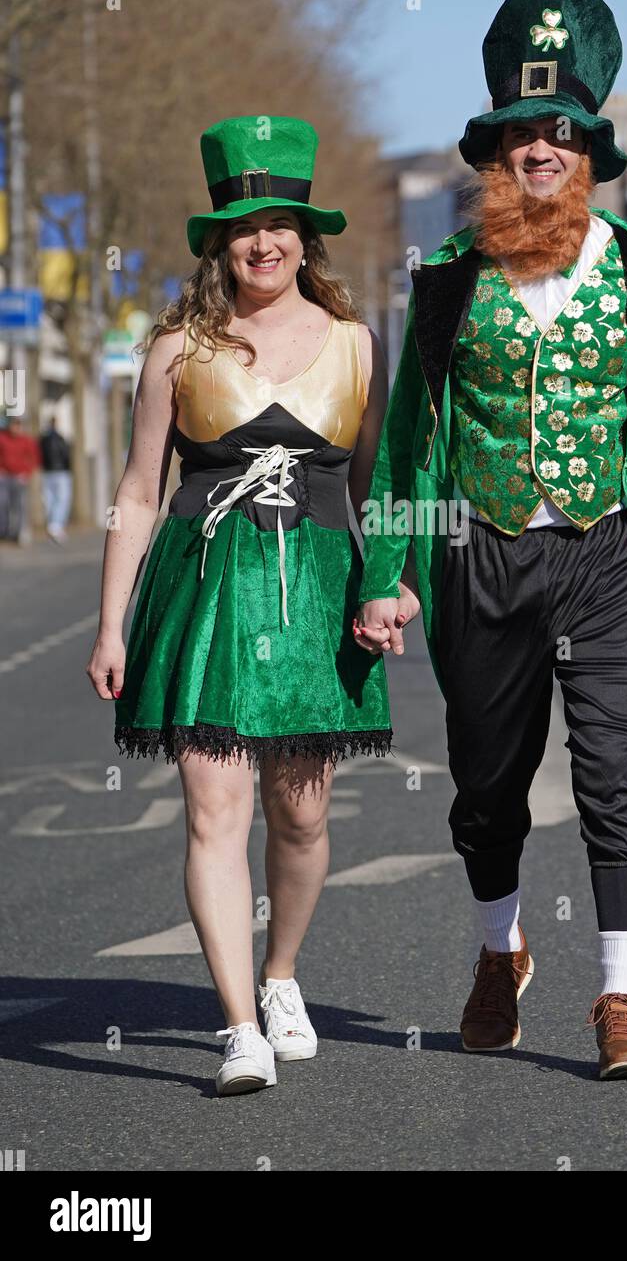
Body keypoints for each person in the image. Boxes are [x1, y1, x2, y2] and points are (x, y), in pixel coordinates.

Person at [354, 0, 627, 1079]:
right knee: (487, 781)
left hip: (606, 555)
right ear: (495, 153)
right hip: (481, 558)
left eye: (561, 135)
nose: (541, 153)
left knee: (615, 774)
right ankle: (497, 949)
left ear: (590, 149)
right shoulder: (450, 283)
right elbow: (410, 443)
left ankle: (619, 996)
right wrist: (389, 573)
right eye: (522, 137)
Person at [86, 115, 395, 1096]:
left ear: (308, 236)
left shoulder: (356, 343)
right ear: (218, 240)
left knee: (300, 816)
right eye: (242, 225)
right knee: (212, 808)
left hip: (315, 593)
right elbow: (138, 493)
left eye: (281, 223)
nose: (262, 241)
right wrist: (109, 622)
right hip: (205, 590)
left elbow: (381, 487)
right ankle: (236, 1027)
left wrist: (395, 581)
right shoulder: (176, 350)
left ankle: (281, 974)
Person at [0, 416, 41, 544]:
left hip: (19, 478)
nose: (15, 428)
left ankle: (20, 532)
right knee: (2, 503)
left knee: (20, 505)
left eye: (17, 426)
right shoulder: (2, 438)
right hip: (4, 476)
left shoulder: (26, 441)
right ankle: (3, 531)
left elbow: (34, 458)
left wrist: (26, 473)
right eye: (13, 425)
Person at [40, 416, 72, 543]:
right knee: (62, 499)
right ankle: (55, 526)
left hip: (47, 472)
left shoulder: (43, 439)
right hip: (60, 472)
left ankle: (53, 526)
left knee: (50, 500)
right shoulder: (60, 438)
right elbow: (66, 454)